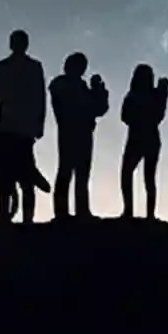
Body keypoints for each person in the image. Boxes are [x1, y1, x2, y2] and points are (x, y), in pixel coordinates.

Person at [0, 29, 46, 223]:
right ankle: (3, 214)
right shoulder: (1, 67)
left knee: (27, 173)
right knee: (4, 173)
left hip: (25, 128)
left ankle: (28, 218)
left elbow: (40, 97)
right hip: (6, 127)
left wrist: (39, 123)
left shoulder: (35, 67)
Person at [48, 52, 108, 219]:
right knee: (66, 170)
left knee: (82, 173)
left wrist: (99, 90)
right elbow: (69, 107)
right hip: (69, 131)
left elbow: (99, 109)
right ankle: (61, 212)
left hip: (83, 132)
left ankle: (82, 210)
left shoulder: (82, 86)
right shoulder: (60, 84)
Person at [120, 64, 168, 220]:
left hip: (142, 137)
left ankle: (142, 213)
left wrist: (163, 93)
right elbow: (125, 116)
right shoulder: (138, 95)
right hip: (143, 137)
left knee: (142, 175)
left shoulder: (139, 95)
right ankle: (138, 212)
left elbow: (158, 115)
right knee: (142, 175)